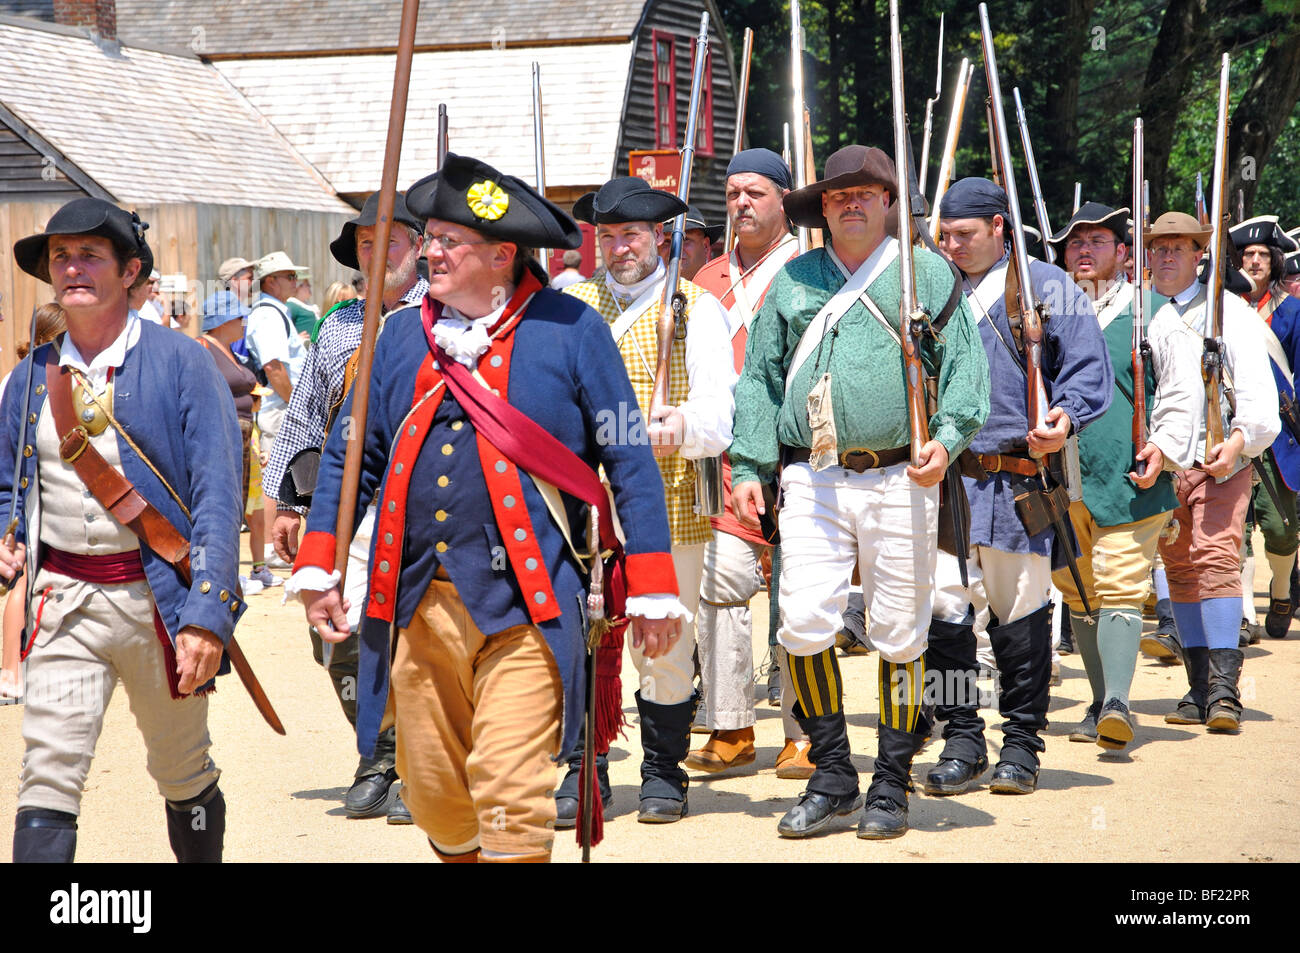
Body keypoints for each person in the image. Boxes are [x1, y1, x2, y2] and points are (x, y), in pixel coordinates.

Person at [289, 155, 684, 862]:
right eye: (429, 237)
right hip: (417, 603)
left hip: (530, 608)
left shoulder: (572, 329)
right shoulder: (399, 340)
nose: (428, 251)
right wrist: (320, 566)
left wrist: (654, 584)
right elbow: (353, 461)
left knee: (508, 794)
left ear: (502, 255)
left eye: (448, 240)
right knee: (437, 796)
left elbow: (628, 458)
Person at [731, 145, 990, 840]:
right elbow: (758, 378)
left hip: (902, 473)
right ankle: (834, 774)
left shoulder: (926, 273)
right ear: (822, 205)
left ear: (886, 201)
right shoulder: (794, 280)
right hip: (810, 473)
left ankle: (891, 783)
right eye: (839, 193)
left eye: (865, 191)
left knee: (901, 632)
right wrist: (750, 465)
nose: (851, 202)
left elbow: (965, 362)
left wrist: (951, 433)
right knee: (801, 622)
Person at [1, 197, 245, 862]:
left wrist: (207, 615)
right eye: (61, 257)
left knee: (183, 767)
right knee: (47, 773)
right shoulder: (28, 378)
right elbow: (8, 486)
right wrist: (7, 535)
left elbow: (219, 496)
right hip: (65, 603)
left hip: (158, 601)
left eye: (90, 255)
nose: (72, 267)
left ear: (129, 268)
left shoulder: (183, 362)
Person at [927, 177, 1112, 798]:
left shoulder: (1051, 286)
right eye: (944, 235)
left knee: (1021, 616)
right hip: (944, 479)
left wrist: (1066, 417)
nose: (952, 245)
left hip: (1017, 480)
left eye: (966, 235)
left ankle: (1024, 741)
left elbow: (1088, 372)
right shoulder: (926, 285)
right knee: (945, 617)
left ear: (1000, 228)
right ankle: (960, 736)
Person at [561, 176, 737, 824]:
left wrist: (678, 426)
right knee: (580, 632)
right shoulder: (571, 305)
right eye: (606, 236)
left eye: (630, 234)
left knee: (665, 642)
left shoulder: (694, 307)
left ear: (659, 236)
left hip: (669, 502)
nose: (618, 247)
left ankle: (664, 770)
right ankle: (585, 765)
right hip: (580, 507)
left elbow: (720, 413)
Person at [265, 190, 428, 823]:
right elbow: (305, 416)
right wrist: (286, 500)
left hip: (420, 501)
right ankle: (377, 756)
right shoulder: (337, 326)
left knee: (415, 631)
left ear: (418, 246)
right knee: (335, 635)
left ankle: (421, 762)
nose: (375, 253)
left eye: (388, 240)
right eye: (365, 244)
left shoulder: (438, 320)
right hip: (346, 505)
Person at [1043, 203, 1200, 749]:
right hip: (1062, 478)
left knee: (1121, 585)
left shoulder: (1152, 311)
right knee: (1078, 589)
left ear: (1123, 253)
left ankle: (1117, 702)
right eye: (1074, 243)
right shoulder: (1046, 310)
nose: (1084, 250)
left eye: (1098, 241)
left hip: (1129, 476)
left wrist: (1162, 445)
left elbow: (1182, 390)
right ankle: (1096, 699)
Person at [687, 148, 805, 777]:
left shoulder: (813, 272)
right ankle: (731, 725)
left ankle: (803, 730)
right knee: (722, 587)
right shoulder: (705, 279)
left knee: (801, 593)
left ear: (784, 197)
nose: (741, 204)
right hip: (726, 461)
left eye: (755, 192)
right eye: (733, 193)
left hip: (800, 454)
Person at [1146, 212, 1279, 733]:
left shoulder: (1229, 312)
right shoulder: (1155, 319)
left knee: (1218, 561)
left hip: (1221, 456)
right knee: (1180, 567)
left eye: (1178, 248)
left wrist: (1240, 443)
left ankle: (1226, 690)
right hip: (1170, 465)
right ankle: (1198, 685)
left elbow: (1255, 392)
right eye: (1159, 249)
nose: (1167, 257)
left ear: (1199, 254)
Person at [1228, 216, 1300, 639]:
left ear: (1274, 263)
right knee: (1232, 530)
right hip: (1233, 434)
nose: (1254, 262)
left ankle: (1279, 589)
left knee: (1278, 529)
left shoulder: (1291, 312)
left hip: (1278, 437)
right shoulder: (1224, 309)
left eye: (1261, 255)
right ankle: (1240, 615)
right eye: (1247, 255)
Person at [0, 303, 67, 699]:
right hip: (26, 489)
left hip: (33, 486)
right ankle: (10, 671)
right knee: (21, 579)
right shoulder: (24, 378)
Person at [197, 291, 262, 599]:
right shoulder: (202, 348)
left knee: (237, 506)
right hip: (224, 436)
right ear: (224, 321)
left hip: (242, 436)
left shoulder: (227, 350)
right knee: (223, 505)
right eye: (239, 317)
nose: (244, 322)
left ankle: (230, 570)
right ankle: (221, 572)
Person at [247, 250, 308, 575]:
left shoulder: (275, 311)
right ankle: (271, 547)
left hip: (279, 403)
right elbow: (274, 366)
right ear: (271, 281)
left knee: (280, 469)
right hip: (279, 405)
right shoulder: (269, 315)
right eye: (290, 277)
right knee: (275, 471)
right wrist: (295, 401)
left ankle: (274, 544)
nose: (295, 282)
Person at [658, 205, 723, 281]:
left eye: (684, 239)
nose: (675, 248)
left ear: (705, 246)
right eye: (667, 241)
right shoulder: (647, 290)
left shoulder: (720, 288)